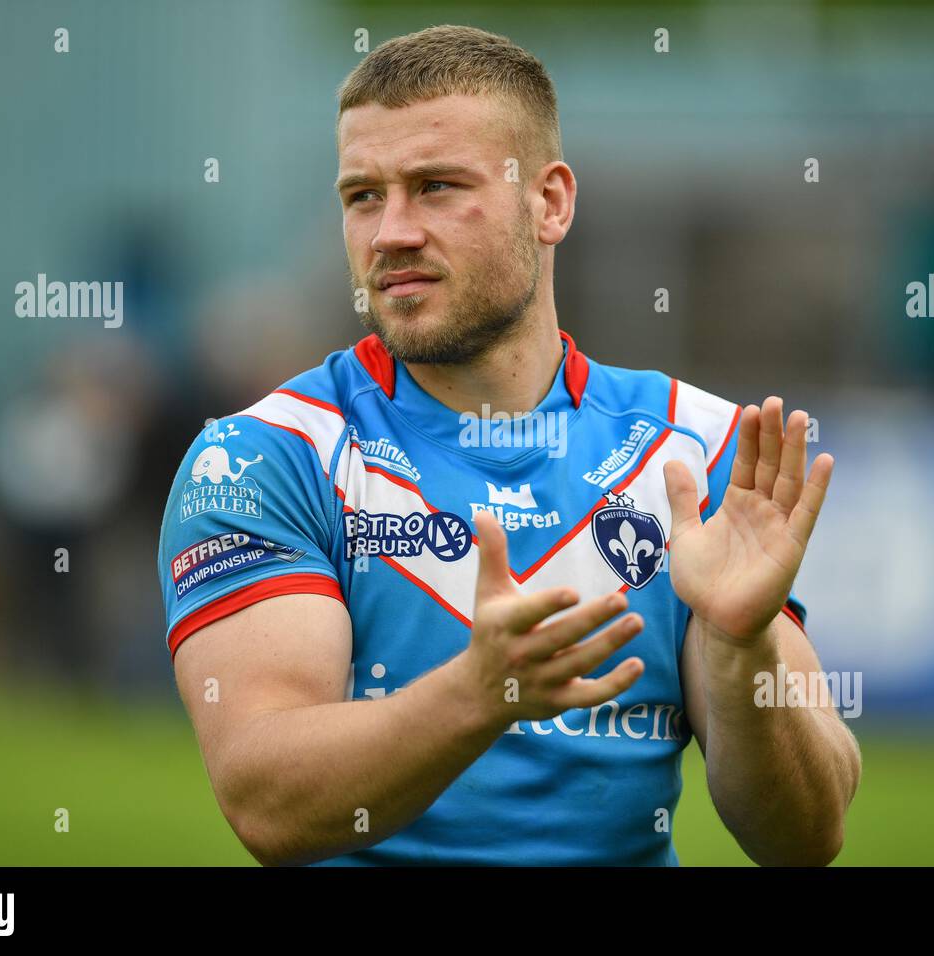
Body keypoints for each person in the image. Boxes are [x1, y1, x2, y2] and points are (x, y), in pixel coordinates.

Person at [157, 24, 860, 866]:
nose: (391, 234)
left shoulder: (694, 454)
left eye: (437, 186)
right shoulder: (266, 458)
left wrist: (743, 649)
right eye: (362, 196)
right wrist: (480, 693)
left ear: (551, 202)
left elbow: (807, 841)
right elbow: (266, 802)